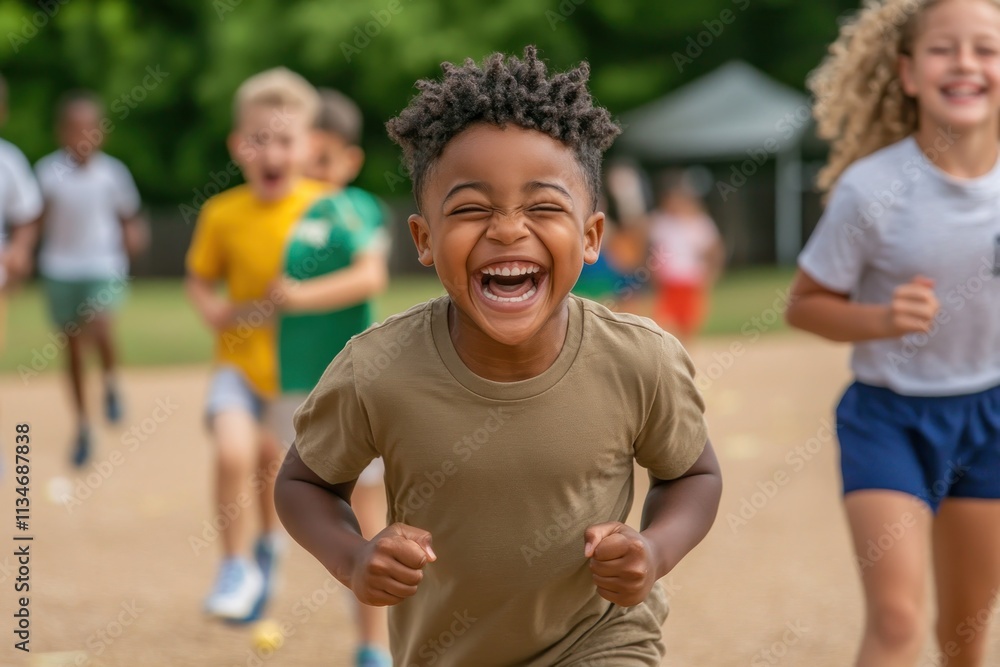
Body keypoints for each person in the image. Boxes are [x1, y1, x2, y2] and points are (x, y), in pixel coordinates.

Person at [275, 46, 722, 666]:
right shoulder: (376, 367)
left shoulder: (639, 361)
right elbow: (304, 482)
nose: (508, 229)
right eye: (471, 209)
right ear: (424, 239)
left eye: (542, 207)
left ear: (592, 237)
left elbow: (693, 474)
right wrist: (352, 557)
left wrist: (654, 550)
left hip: (600, 640)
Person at [786, 1, 1000, 665]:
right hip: (889, 418)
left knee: (963, 637)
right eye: (944, 49)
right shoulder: (871, 188)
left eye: (986, 48)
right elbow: (804, 304)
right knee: (899, 619)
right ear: (907, 74)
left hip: (990, 416)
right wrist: (879, 319)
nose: (965, 63)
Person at [185, 67, 327, 623]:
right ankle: (234, 564)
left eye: (285, 139)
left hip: (295, 374)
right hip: (238, 365)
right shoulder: (223, 214)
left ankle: (268, 548)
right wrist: (213, 309)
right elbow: (198, 278)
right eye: (257, 139)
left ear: (310, 147)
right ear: (236, 146)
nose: (271, 151)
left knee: (272, 467)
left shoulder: (325, 209)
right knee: (232, 452)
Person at [269, 88, 392, 667]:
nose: (309, 173)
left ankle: (372, 645)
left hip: (348, 384)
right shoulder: (292, 213)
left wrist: (297, 296)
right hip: (293, 382)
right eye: (304, 160)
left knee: (366, 514)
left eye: (321, 161)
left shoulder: (354, 208)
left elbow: (370, 278)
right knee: (294, 493)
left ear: (347, 160)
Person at [33, 91, 147, 467]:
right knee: (72, 347)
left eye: (90, 129)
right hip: (61, 267)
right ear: (61, 132)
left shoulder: (112, 173)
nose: (82, 137)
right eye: (74, 129)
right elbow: (36, 220)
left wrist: (134, 235)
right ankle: (82, 424)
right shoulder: (48, 173)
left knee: (100, 327)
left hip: (102, 264)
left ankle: (111, 383)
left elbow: (129, 217)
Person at [648, 170, 723, 345]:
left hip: (690, 280)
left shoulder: (698, 222)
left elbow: (714, 250)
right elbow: (651, 247)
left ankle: (685, 357)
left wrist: (712, 273)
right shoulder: (662, 222)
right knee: (663, 324)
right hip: (669, 282)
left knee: (688, 325)